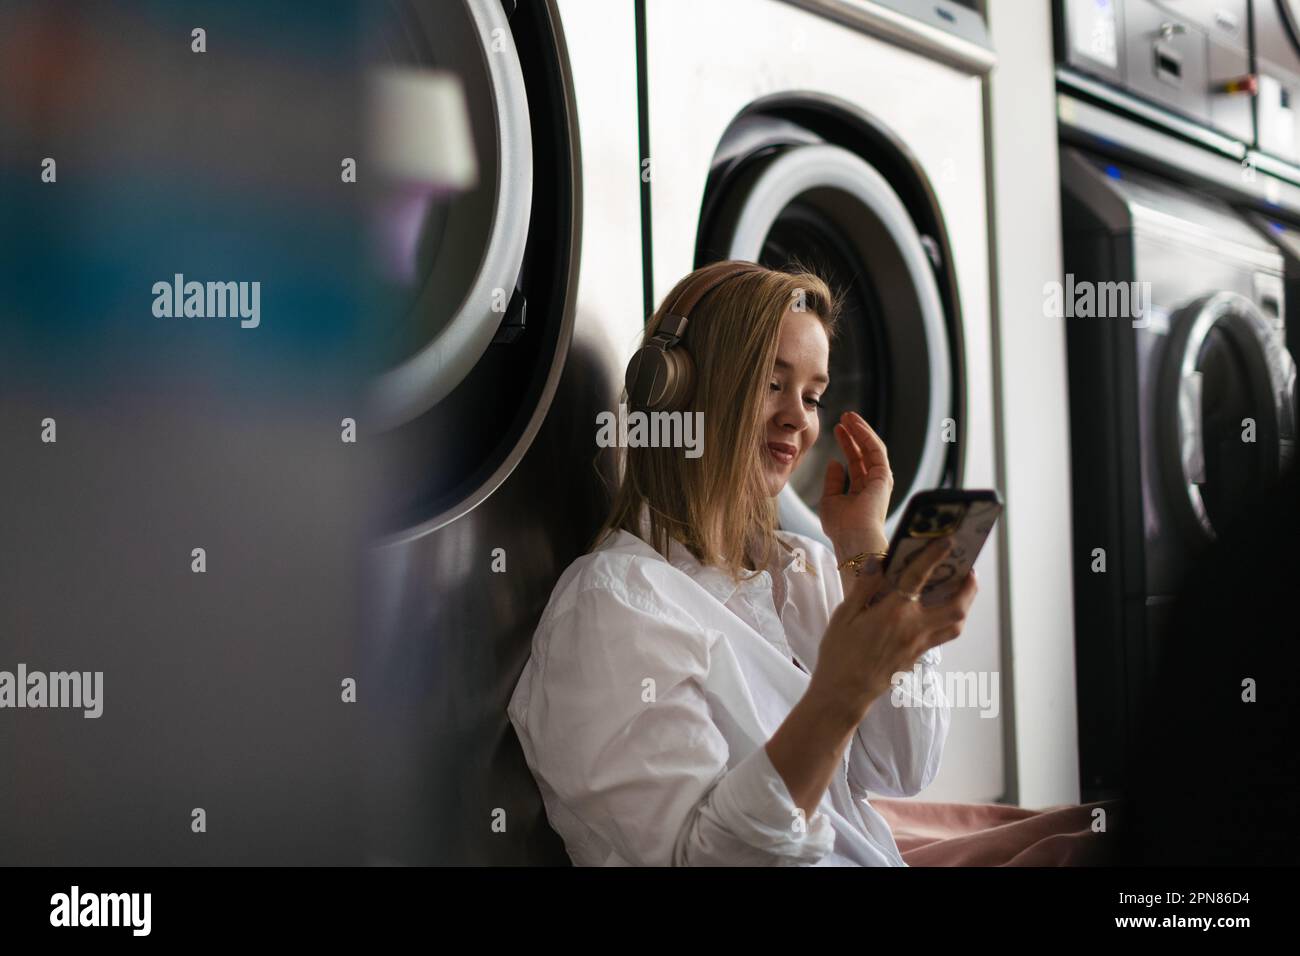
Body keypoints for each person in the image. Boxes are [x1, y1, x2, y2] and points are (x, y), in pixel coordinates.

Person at [506, 260, 1096, 866]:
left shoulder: (806, 571)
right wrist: (841, 690)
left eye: (812, 396)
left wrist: (863, 547)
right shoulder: (616, 604)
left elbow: (903, 765)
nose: (798, 417)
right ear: (676, 387)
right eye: (771, 383)